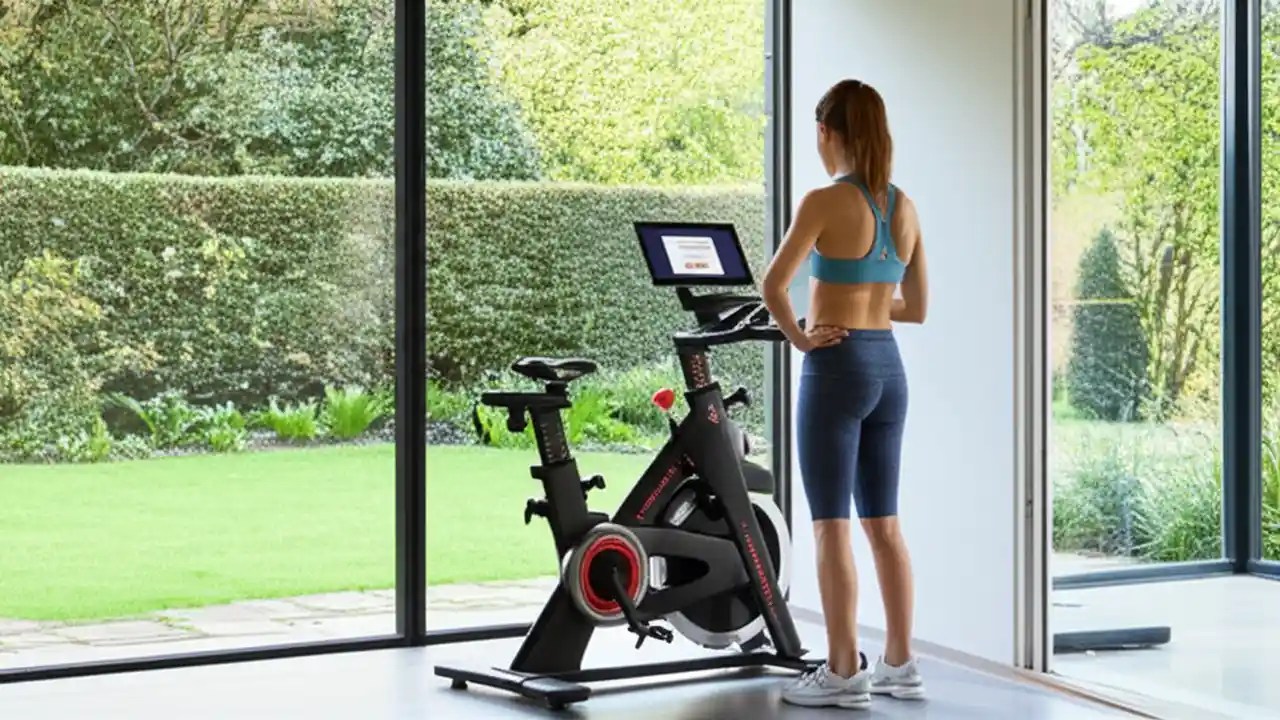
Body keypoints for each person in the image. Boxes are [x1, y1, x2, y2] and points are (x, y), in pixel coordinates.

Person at [761, 78, 929, 710]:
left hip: (835, 370)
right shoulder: (904, 206)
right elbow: (916, 308)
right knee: (885, 526)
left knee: (831, 525)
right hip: (889, 368)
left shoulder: (823, 202)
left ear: (826, 132)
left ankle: (841, 672)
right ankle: (901, 664)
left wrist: (804, 339)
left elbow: (773, 286)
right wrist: (868, 296)